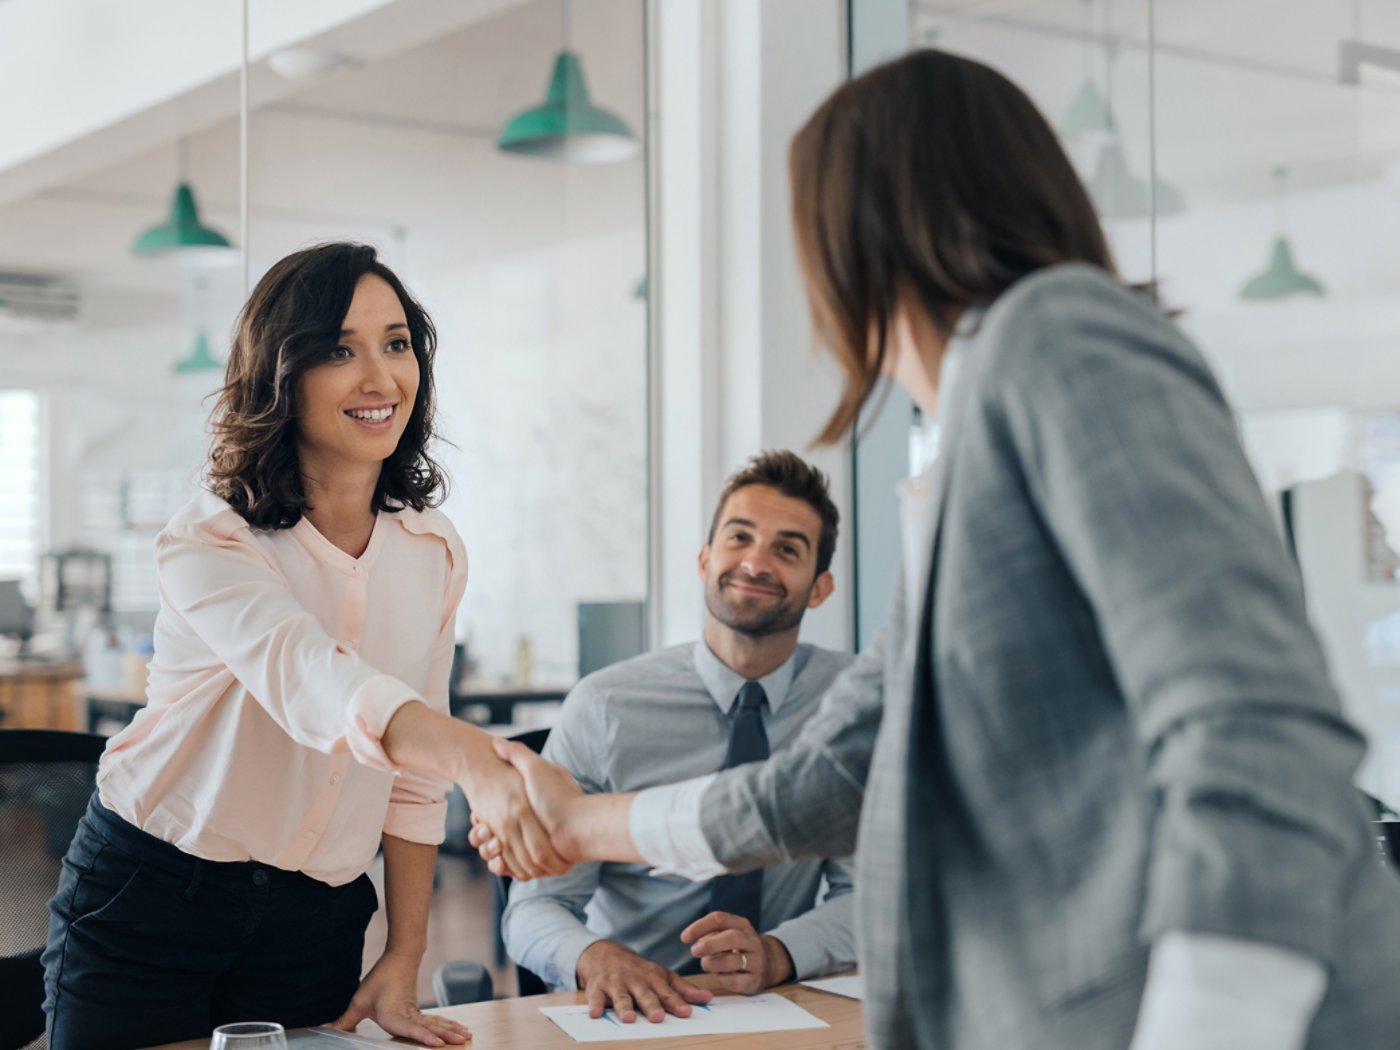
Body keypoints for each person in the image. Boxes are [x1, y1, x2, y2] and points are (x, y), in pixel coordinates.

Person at [472, 50, 1400, 1050]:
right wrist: (580, 825)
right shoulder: (962, 452)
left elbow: (1249, 722)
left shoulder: (1058, 334)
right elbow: (836, 780)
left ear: (854, 231)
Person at [42, 242, 567, 1050]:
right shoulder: (212, 538)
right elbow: (313, 682)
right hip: (154, 892)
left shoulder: (434, 552)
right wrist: (476, 761)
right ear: (280, 376)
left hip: (316, 916)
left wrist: (405, 950)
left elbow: (410, 783)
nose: (380, 378)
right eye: (337, 350)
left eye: (397, 344)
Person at [502, 450, 857, 1023]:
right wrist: (597, 958)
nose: (756, 563)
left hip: (779, 1006)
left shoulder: (852, 704)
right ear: (704, 559)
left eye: (787, 550)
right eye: (739, 537)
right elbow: (536, 906)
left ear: (820, 588)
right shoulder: (604, 707)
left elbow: (872, 891)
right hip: (631, 1014)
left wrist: (778, 953)